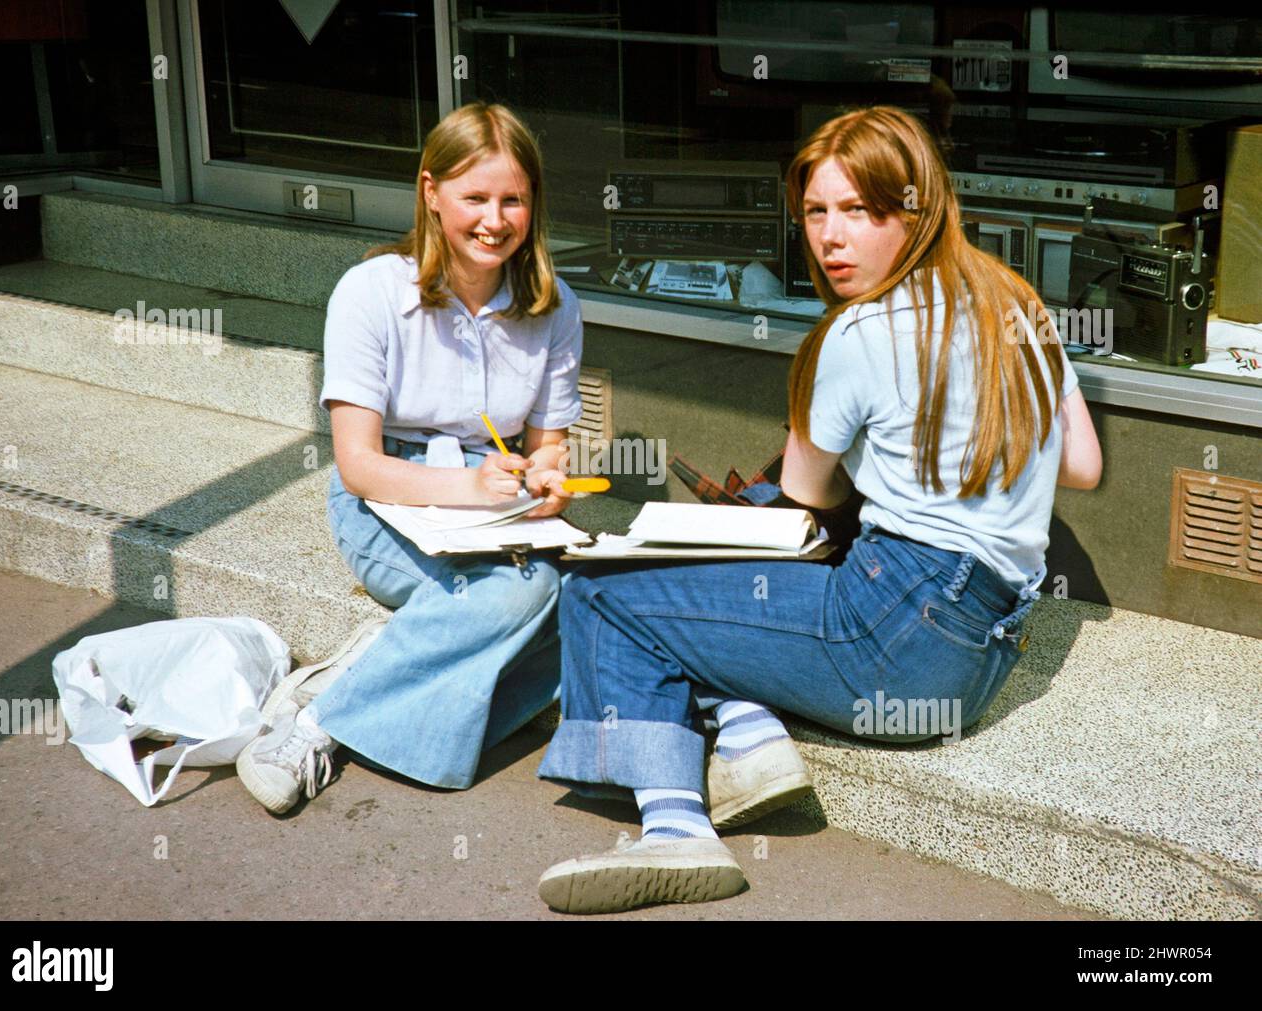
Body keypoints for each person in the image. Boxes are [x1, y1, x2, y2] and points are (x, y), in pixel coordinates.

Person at [533, 106, 1102, 914]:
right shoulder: (1015, 301)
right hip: (987, 653)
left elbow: (806, 496)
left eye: (861, 211)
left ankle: (673, 824)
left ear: (917, 209)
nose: (832, 237)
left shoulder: (860, 332)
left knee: (603, 591)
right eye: (816, 211)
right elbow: (1082, 466)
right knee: (717, 596)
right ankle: (752, 728)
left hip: (891, 633)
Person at [237, 101, 584, 813]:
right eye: (475, 197)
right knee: (527, 595)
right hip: (384, 502)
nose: (496, 218)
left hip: (497, 504)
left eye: (513, 199)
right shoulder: (370, 292)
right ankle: (315, 725)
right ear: (430, 192)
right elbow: (359, 465)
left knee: (585, 600)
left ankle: (362, 674)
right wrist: (472, 488)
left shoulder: (554, 306)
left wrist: (551, 480)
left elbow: (549, 443)